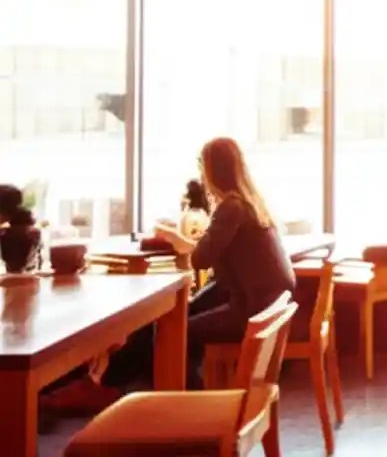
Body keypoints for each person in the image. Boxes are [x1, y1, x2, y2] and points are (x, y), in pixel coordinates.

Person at [42, 137, 297, 417]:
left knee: (174, 334)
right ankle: (111, 389)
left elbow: (201, 259)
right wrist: (185, 241)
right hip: (263, 305)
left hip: (249, 309)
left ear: (210, 170)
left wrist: (180, 238)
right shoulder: (251, 204)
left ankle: (176, 407)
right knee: (164, 322)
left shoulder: (231, 207)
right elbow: (215, 261)